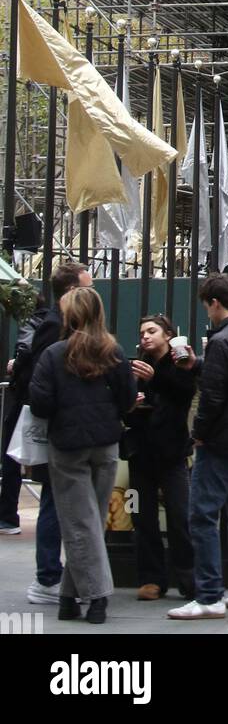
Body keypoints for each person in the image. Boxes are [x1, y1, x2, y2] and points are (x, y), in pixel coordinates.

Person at [28, 286, 137, 625]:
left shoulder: (54, 355)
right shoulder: (114, 352)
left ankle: (97, 596)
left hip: (69, 446)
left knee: (80, 523)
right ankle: (67, 598)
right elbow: (128, 398)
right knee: (90, 522)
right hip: (105, 444)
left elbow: (41, 403)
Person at [168, 273, 228, 621]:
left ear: (214, 303)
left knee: (203, 516)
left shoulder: (222, 341)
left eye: (207, 307)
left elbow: (213, 396)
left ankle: (209, 594)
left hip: (221, 441)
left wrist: (199, 432)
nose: (207, 313)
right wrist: (198, 365)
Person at [6, 262, 92, 603]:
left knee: (62, 503)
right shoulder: (55, 326)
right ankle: (48, 577)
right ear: (71, 291)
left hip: (66, 428)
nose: (92, 293)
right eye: (87, 287)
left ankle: (55, 576)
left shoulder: (66, 325)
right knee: (56, 503)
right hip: (58, 431)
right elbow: (39, 382)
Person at [125, 314, 196, 602]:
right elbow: (124, 402)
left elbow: (184, 393)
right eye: (142, 332)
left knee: (180, 515)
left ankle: (188, 577)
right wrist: (132, 401)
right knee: (142, 517)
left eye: (152, 331)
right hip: (140, 450)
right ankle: (151, 578)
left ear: (167, 334)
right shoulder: (136, 365)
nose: (145, 336)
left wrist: (156, 379)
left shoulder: (179, 362)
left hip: (172, 451)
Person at [1, 294, 50, 533]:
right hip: (44, 397)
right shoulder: (53, 322)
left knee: (10, 454)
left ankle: (8, 515)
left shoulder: (29, 323)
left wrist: (15, 367)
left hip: (24, 396)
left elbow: (24, 350)